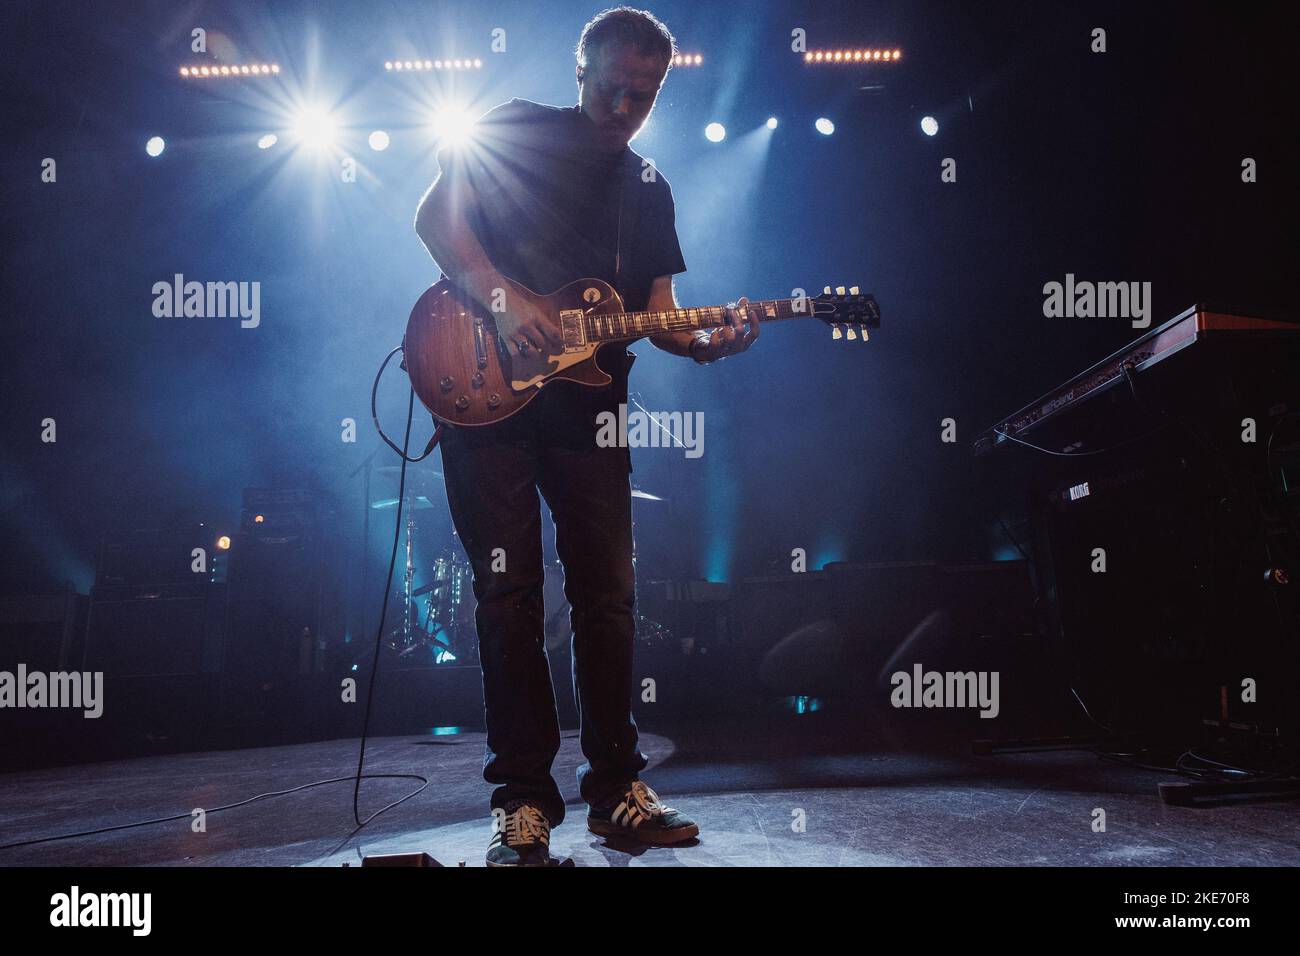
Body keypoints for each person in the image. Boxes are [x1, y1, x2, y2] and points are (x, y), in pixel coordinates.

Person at [413, 5, 759, 866]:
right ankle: (522, 803)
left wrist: (708, 345)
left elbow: (662, 317)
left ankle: (617, 792)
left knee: (607, 598)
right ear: (581, 71)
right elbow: (433, 217)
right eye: (612, 87)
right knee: (509, 599)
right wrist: (501, 296)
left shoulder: (647, 187)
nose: (624, 107)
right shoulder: (514, 131)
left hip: (591, 412)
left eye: (643, 96)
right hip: (483, 393)